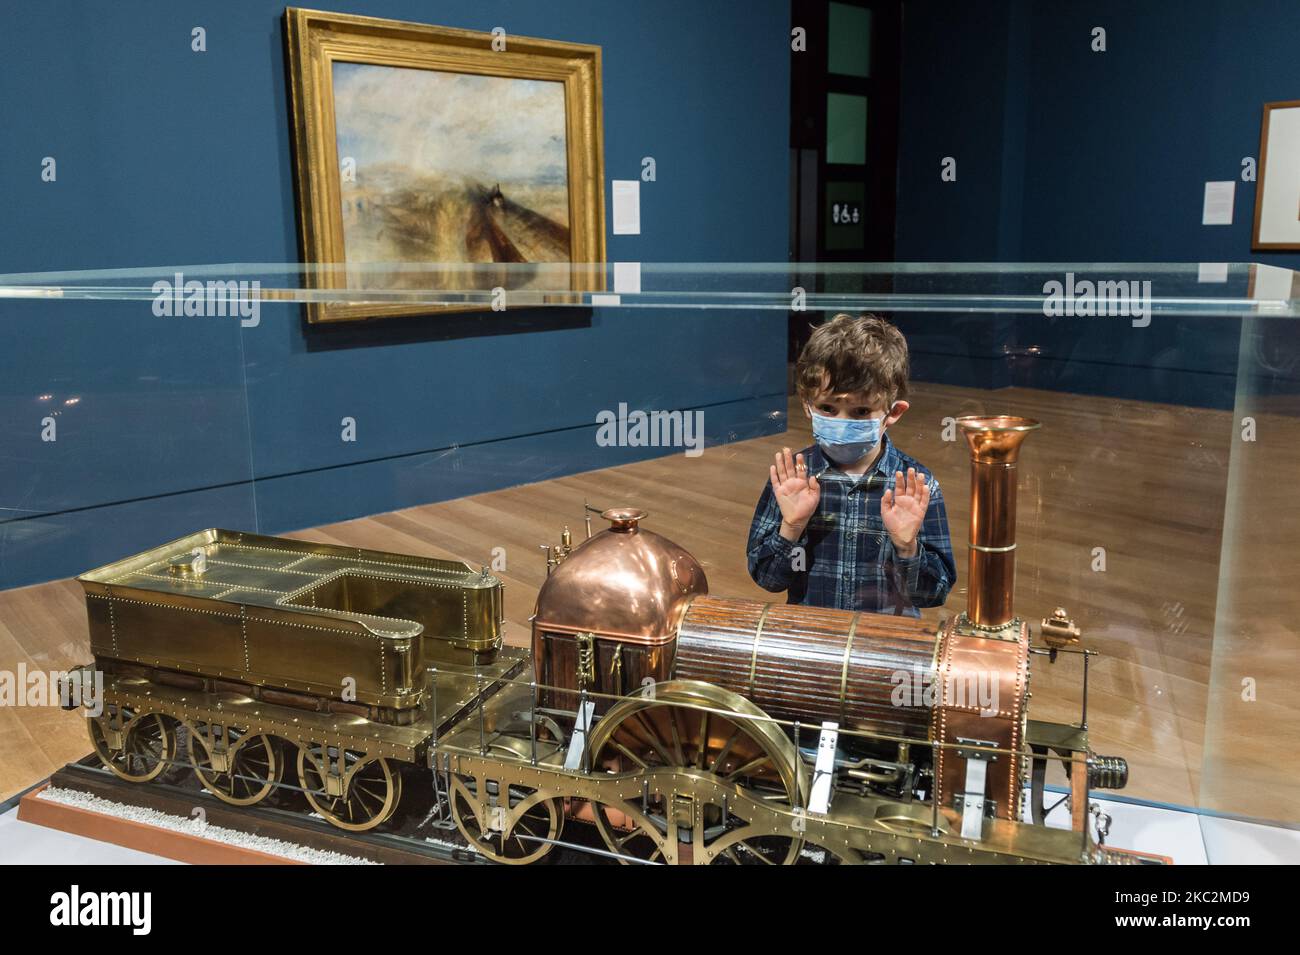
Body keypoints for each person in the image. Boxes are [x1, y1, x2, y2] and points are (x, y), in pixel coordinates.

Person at [747, 313, 955, 616]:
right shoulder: (793, 478)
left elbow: (932, 594)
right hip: (816, 640)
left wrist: (907, 546)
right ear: (807, 405)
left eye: (860, 411)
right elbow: (768, 579)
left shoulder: (917, 485)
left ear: (893, 412)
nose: (842, 423)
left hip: (886, 646)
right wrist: (791, 527)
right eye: (828, 408)